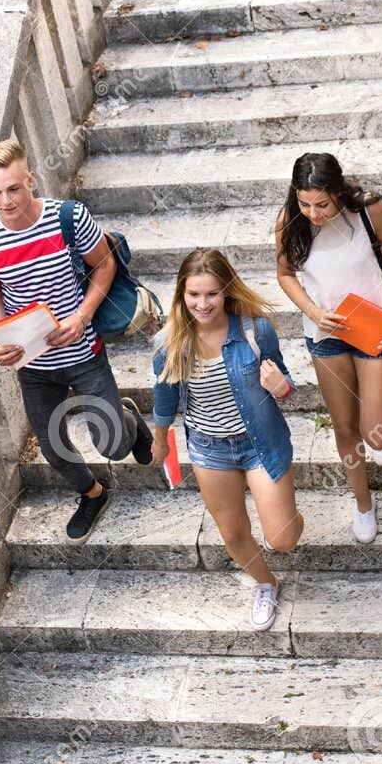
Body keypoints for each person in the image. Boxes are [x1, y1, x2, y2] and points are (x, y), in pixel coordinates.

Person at [0, 140, 152, 543]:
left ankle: (129, 421)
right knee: (54, 449)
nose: (5, 201)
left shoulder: (67, 218)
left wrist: (81, 315)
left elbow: (104, 265)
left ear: (30, 180)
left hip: (82, 350)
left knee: (114, 446)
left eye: (13, 189)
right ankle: (93, 494)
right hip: (32, 365)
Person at [149, 248, 303, 631]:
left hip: (259, 442)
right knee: (233, 533)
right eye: (194, 295)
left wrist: (281, 386)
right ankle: (266, 584)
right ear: (181, 295)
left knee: (283, 538)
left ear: (227, 291)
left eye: (212, 294)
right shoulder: (170, 343)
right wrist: (160, 439)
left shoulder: (254, 330)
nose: (203, 304)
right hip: (209, 448)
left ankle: (280, 515)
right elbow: (165, 395)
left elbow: (285, 385)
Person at [274, 152, 382, 544]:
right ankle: (363, 505)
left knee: (373, 432)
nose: (313, 213)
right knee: (343, 426)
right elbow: (285, 273)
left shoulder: (370, 210)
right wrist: (313, 312)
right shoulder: (290, 222)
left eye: (321, 203)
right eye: (304, 203)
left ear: (338, 191)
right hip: (325, 335)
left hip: (374, 329)